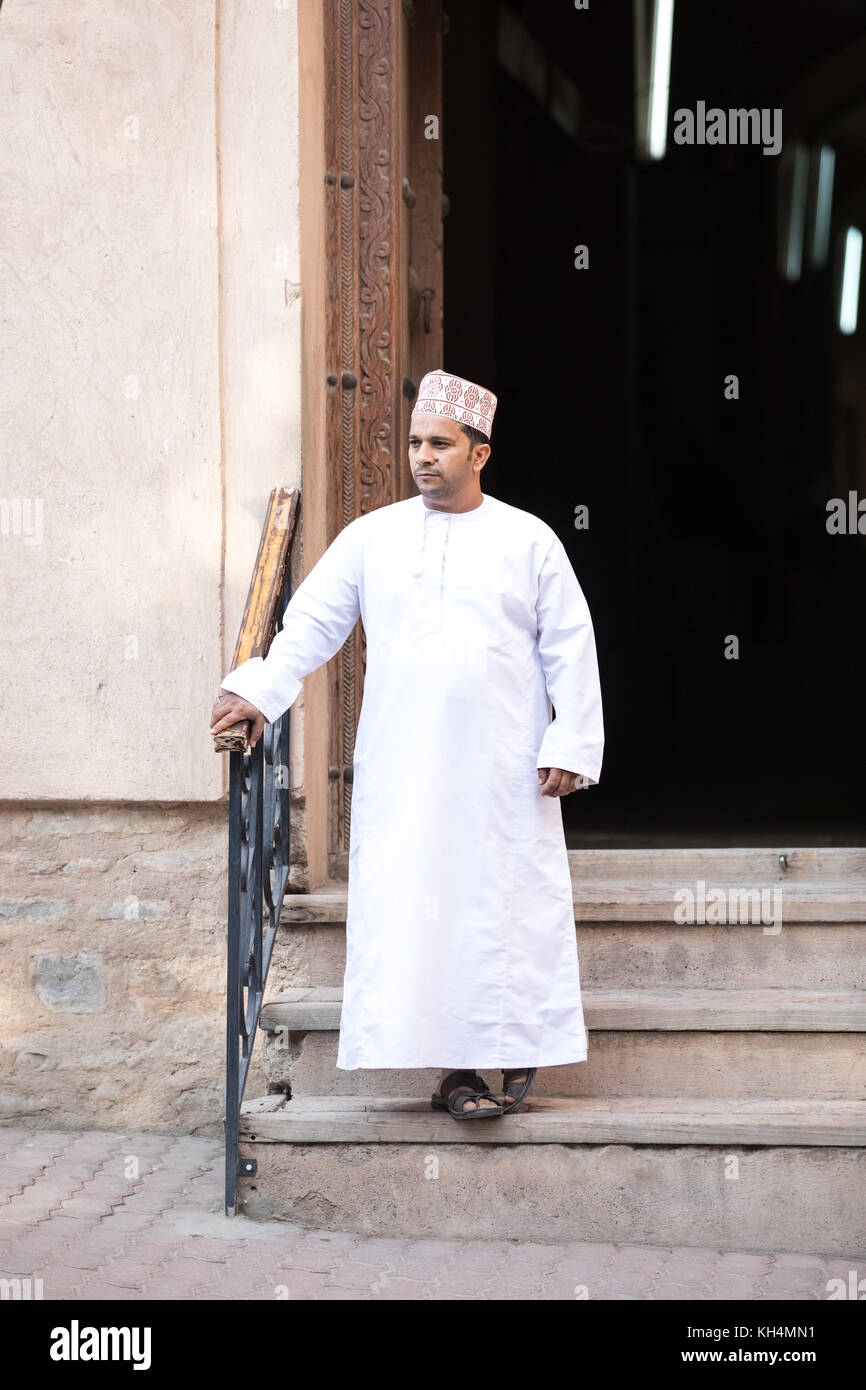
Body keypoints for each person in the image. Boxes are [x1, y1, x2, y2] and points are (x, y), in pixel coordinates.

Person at [210, 370, 604, 1120]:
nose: (424, 457)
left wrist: (572, 741)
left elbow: (570, 647)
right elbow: (312, 626)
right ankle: (455, 1072)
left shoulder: (530, 540)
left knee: (504, 902)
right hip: (405, 764)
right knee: (422, 911)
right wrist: (259, 693)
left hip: (501, 767)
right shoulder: (374, 537)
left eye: (441, 444)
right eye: (417, 443)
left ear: (479, 453)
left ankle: (511, 1044)